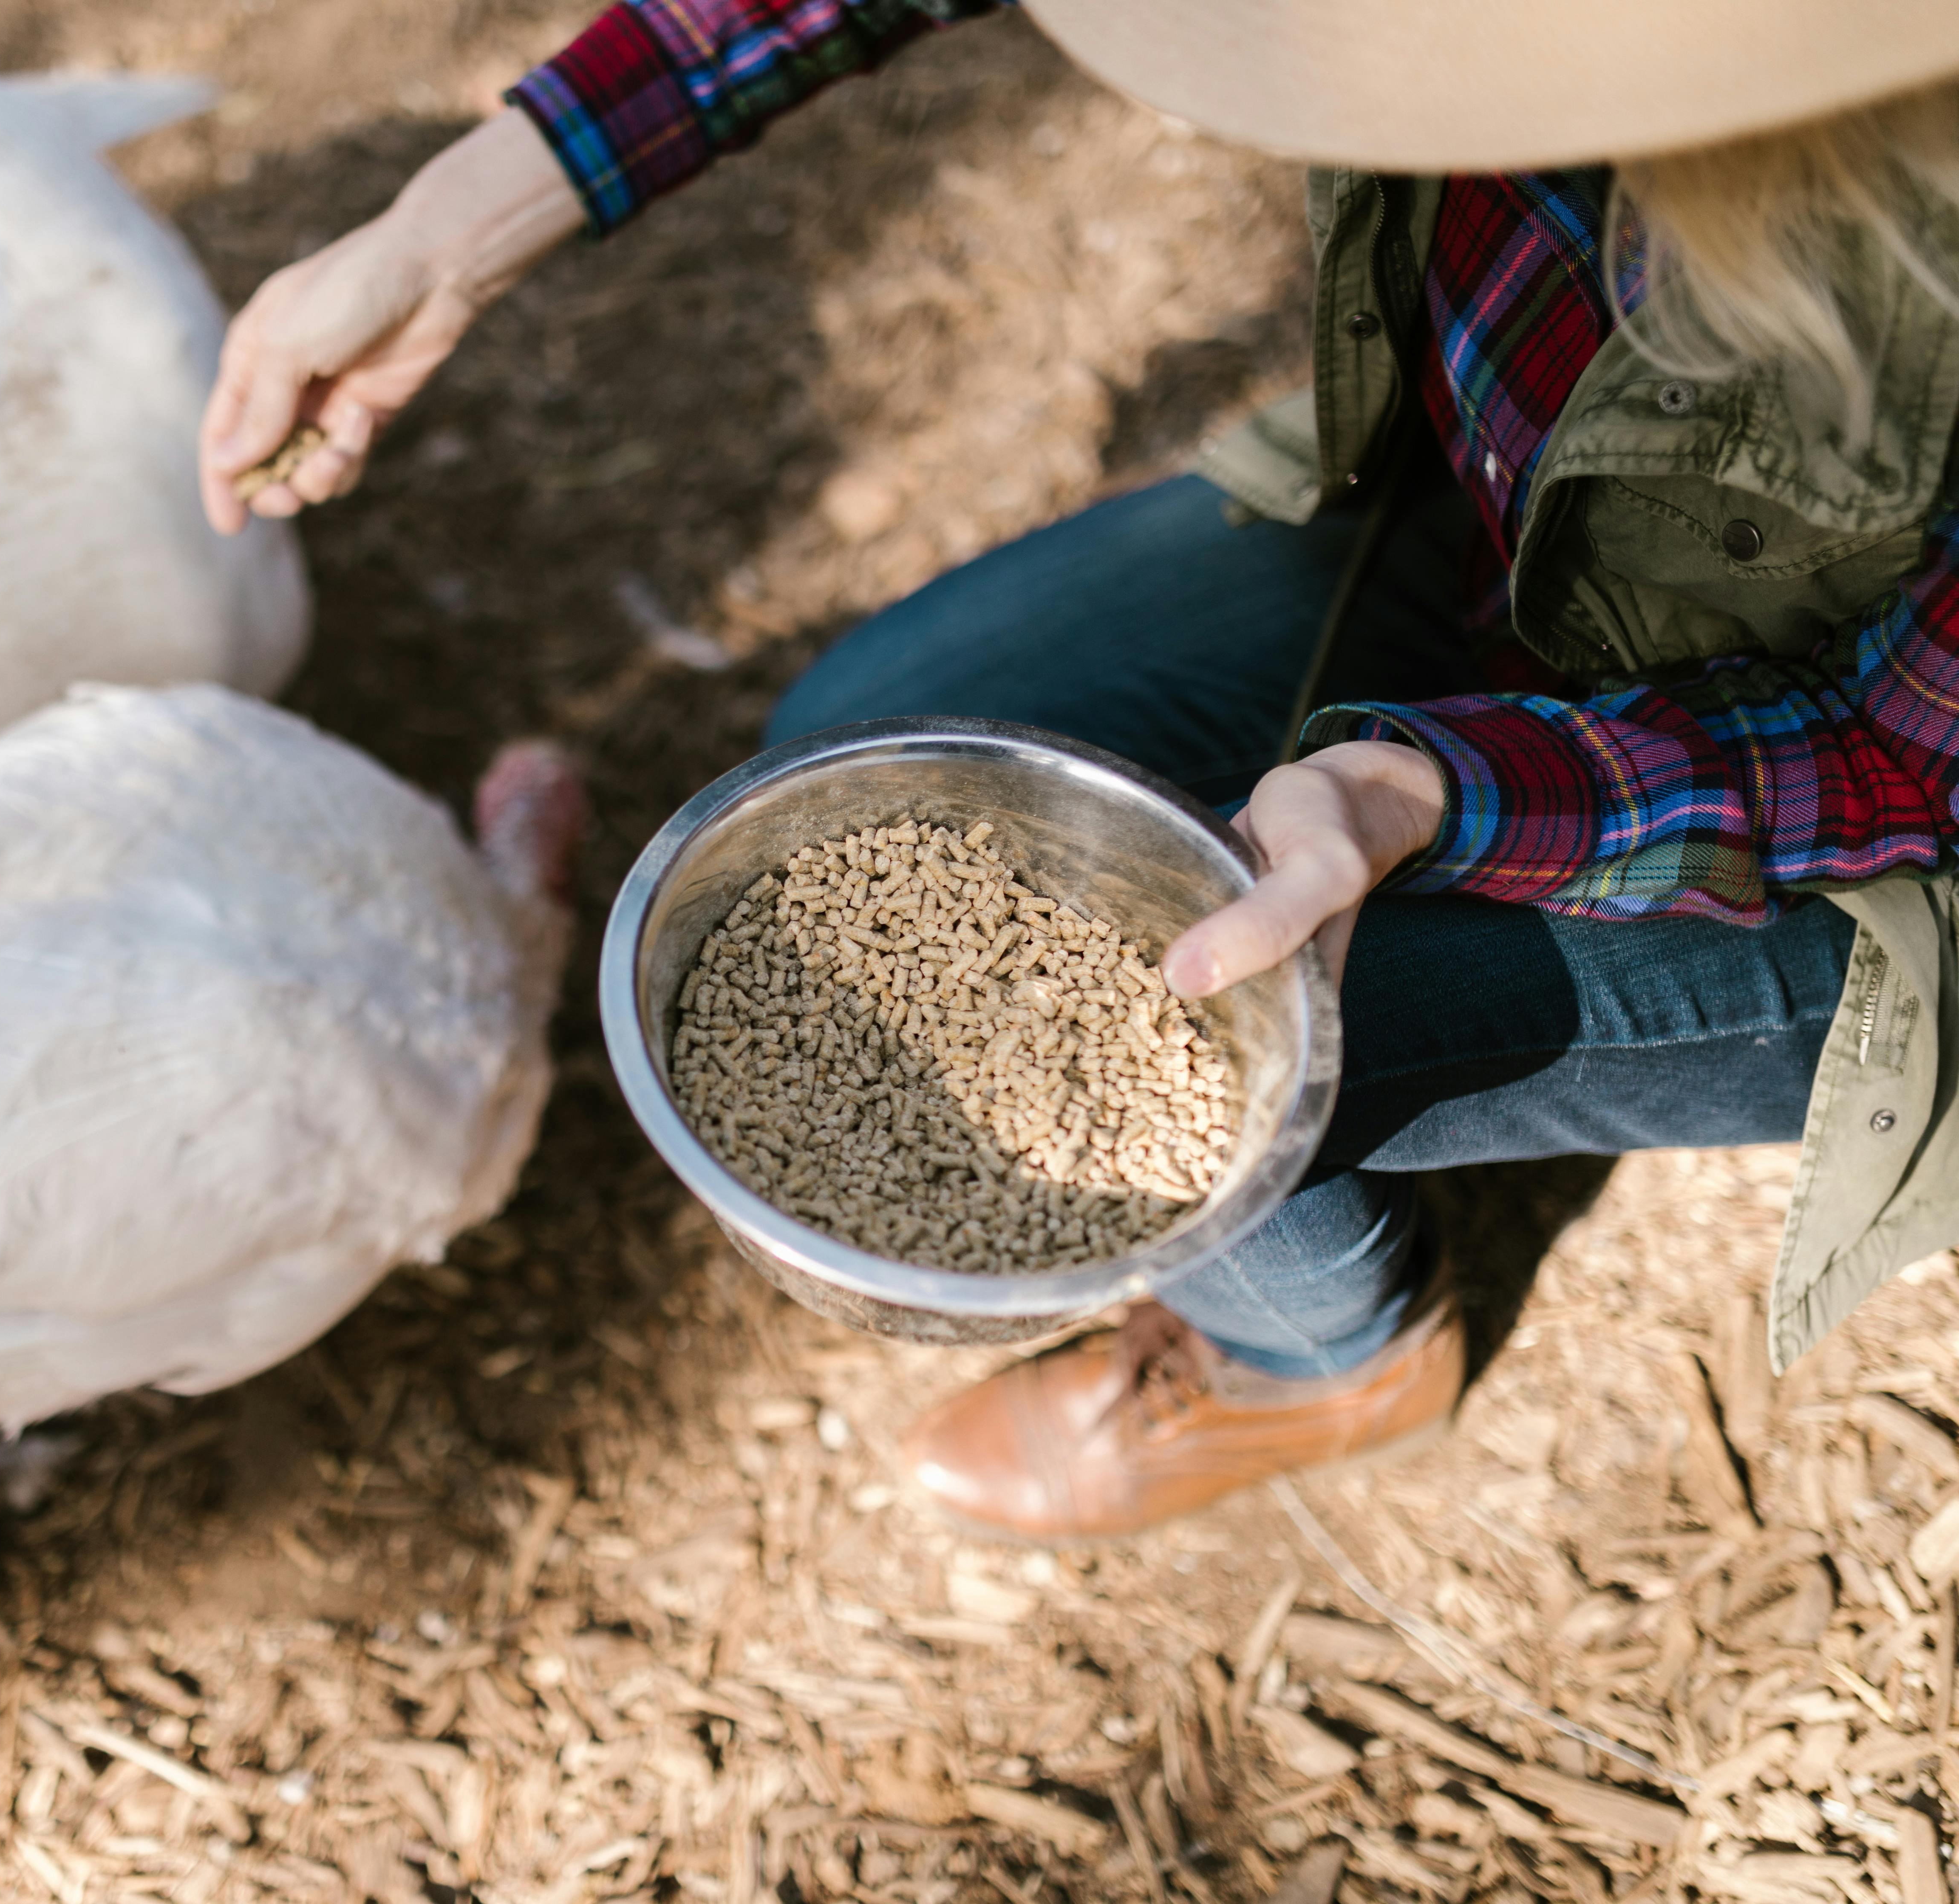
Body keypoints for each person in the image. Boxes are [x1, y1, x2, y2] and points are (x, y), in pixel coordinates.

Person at [196, 0, 1959, 1544]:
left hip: (1867, 823)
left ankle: (1313, 1363)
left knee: (1229, 1042)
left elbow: (1894, 758)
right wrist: (461, 221)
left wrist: (1426, 794)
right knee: (879, 742)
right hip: (1508, 516)